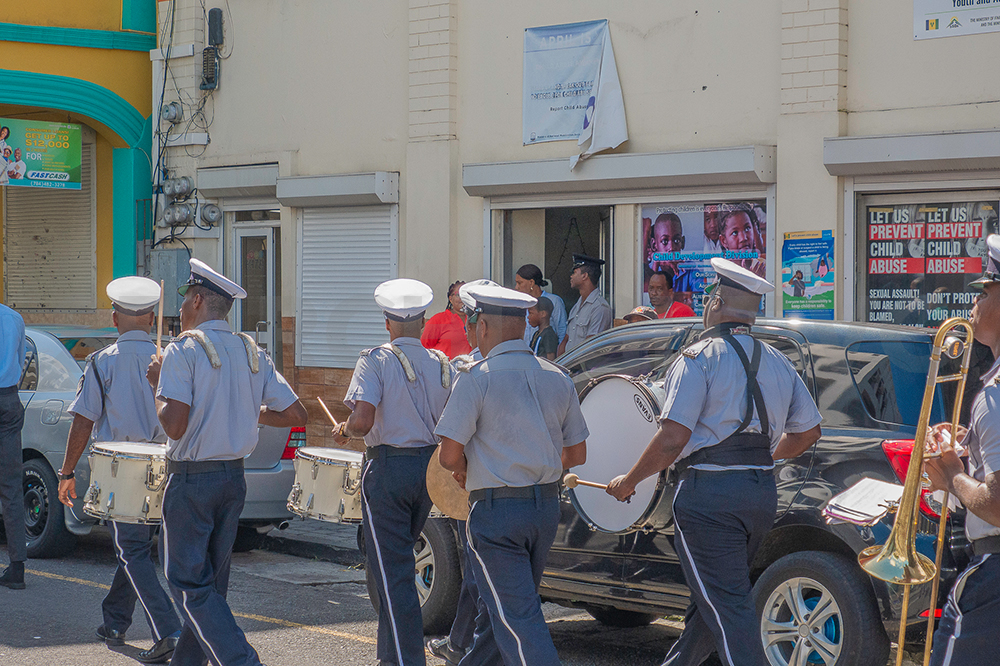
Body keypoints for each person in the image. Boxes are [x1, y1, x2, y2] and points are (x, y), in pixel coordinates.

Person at [606, 258, 822, 666]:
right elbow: (809, 432)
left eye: (708, 299)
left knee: (728, 608)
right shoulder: (778, 361)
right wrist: (761, 459)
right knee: (716, 599)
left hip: (709, 496)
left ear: (717, 302)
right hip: (760, 493)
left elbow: (673, 438)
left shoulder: (698, 357)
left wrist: (630, 480)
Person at [146, 258, 307, 666]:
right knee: (211, 587)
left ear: (198, 301)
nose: (180, 311)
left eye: (184, 302)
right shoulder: (251, 351)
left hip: (192, 480)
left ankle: (240, 659)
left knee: (186, 583)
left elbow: (175, 426)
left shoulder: (183, 351)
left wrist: (157, 387)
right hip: (234, 479)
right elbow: (295, 415)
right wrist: (249, 412)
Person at [436, 282, 589, 666]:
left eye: (472, 324)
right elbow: (578, 453)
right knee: (500, 610)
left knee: (518, 618)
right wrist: (536, 458)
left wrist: (470, 469)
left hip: (496, 511)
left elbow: (448, 455)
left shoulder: (476, 376)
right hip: (544, 509)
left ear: (483, 326)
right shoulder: (557, 376)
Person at [56, 277, 182, 662]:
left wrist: (66, 473)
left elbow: (83, 420)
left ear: (114, 318)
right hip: (168, 467)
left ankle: (169, 631)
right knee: (137, 549)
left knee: (131, 551)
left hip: (122, 471)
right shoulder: (172, 359)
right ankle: (114, 619)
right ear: (151, 317)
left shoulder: (103, 361)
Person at [334, 278, 453, 666]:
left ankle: (405, 660)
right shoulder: (441, 363)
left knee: (392, 572)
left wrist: (345, 428)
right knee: (393, 568)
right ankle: (392, 657)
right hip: (430, 469)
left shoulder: (375, 359)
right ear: (423, 322)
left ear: (388, 322)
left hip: (388, 467)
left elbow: (363, 420)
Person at [923, 234, 1000, 666]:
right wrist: (969, 448)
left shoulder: (996, 395)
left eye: (984, 291)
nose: (973, 305)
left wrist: (952, 473)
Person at [427, 279, 494, 665]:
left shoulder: (464, 370)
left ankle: (463, 643)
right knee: (476, 567)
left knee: (475, 565)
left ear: (474, 324)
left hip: (469, 480)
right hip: (499, 482)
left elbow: (448, 433)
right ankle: (461, 641)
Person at [0, 300, 27, 590]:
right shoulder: (14, 318)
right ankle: (17, 566)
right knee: (11, 487)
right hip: (9, 399)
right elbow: (21, 360)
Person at [559, 254, 614, 355]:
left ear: (584, 276)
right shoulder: (577, 305)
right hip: (569, 366)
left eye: (575, 272)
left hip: (584, 368)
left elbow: (591, 345)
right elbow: (567, 339)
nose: (571, 276)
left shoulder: (599, 307)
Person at [514, 264, 567, 346]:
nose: (516, 287)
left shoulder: (554, 301)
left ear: (531, 282)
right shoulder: (520, 303)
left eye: (519, 283)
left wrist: (559, 355)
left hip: (547, 355)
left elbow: (562, 331)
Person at [422, 280, 473, 359]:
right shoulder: (438, 320)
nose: (463, 298)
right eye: (458, 295)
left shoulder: (476, 319)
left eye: (466, 295)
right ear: (450, 298)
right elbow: (424, 349)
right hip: (446, 370)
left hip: (473, 368)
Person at [648, 213, 697, 292]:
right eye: (664, 241)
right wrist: (655, 270)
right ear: (654, 245)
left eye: (676, 241)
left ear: (683, 242)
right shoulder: (648, 270)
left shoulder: (690, 269)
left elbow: (700, 300)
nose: (671, 248)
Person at [719, 205, 766, 278]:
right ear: (724, 241)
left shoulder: (763, 266)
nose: (743, 238)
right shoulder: (723, 273)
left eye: (747, 229)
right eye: (735, 233)